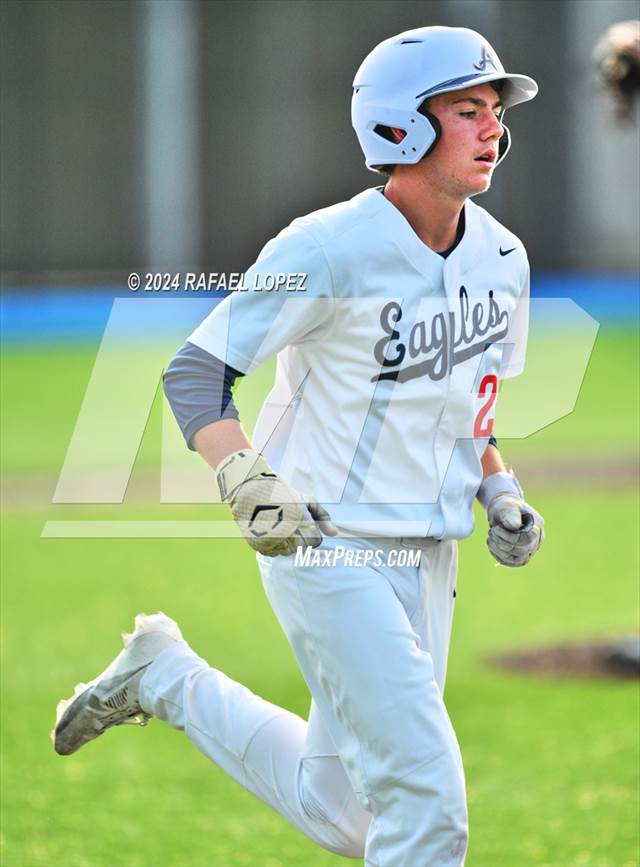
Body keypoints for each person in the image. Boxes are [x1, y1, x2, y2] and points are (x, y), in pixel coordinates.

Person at [53, 26, 544, 867]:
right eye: (468, 109)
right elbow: (197, 371)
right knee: (425, 799)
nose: (493, 127)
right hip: (328, 546)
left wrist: (497, 486)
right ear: (402, 125)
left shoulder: (503, 258)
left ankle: (164, 677)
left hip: (431, 561)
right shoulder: (323, 246)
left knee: (349, 815)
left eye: (496, 110)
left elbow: (468, 403)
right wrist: (246, 479)